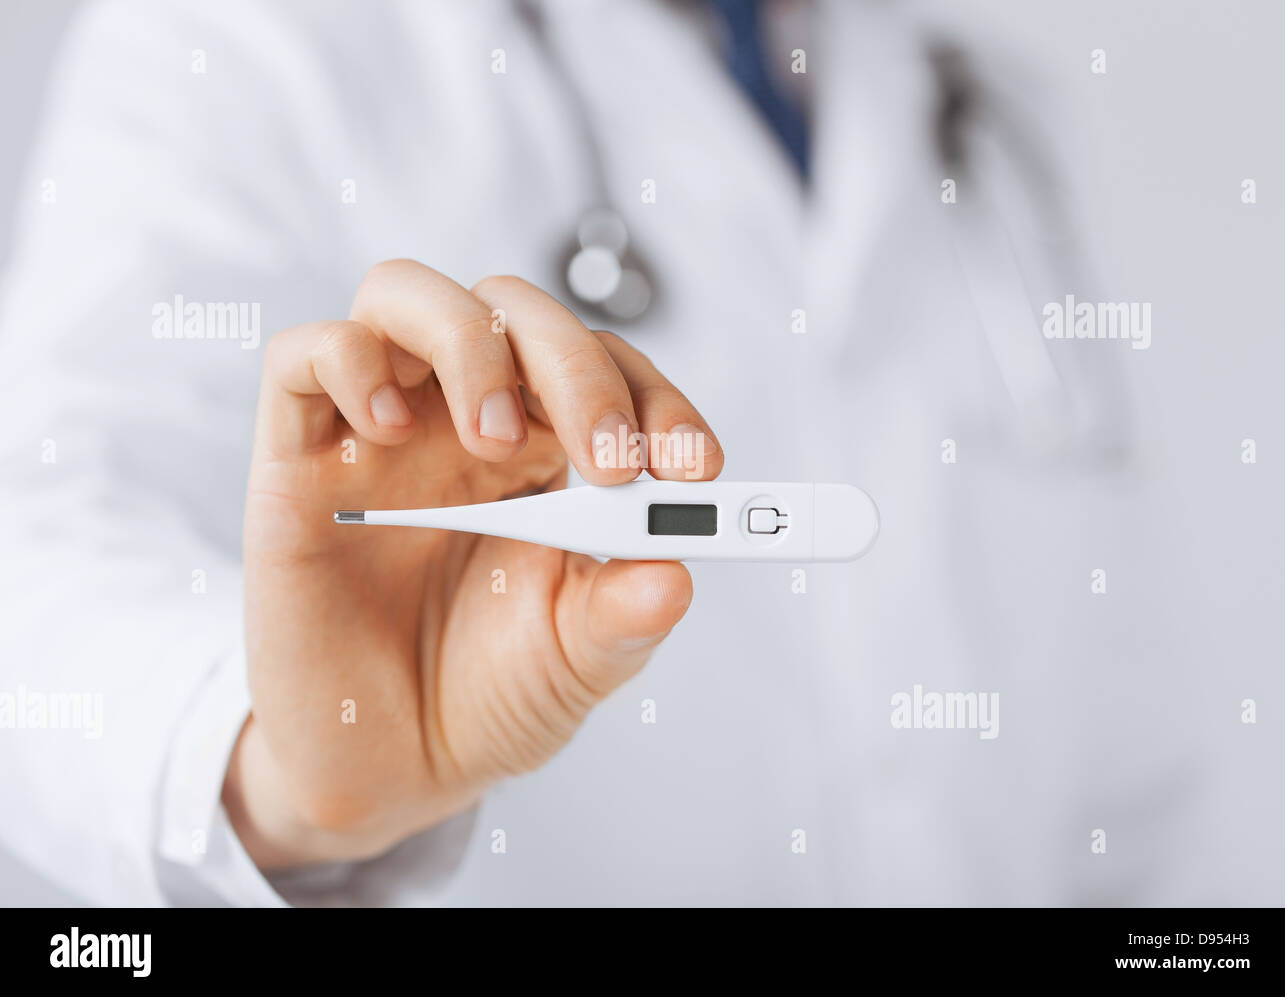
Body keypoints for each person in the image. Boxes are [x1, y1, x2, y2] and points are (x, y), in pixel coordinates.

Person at [0, 0, 1215, 905]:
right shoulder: (255, 44)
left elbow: (1121, 731)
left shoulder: (984, 108)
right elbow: (36, 545)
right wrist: (280, 764)